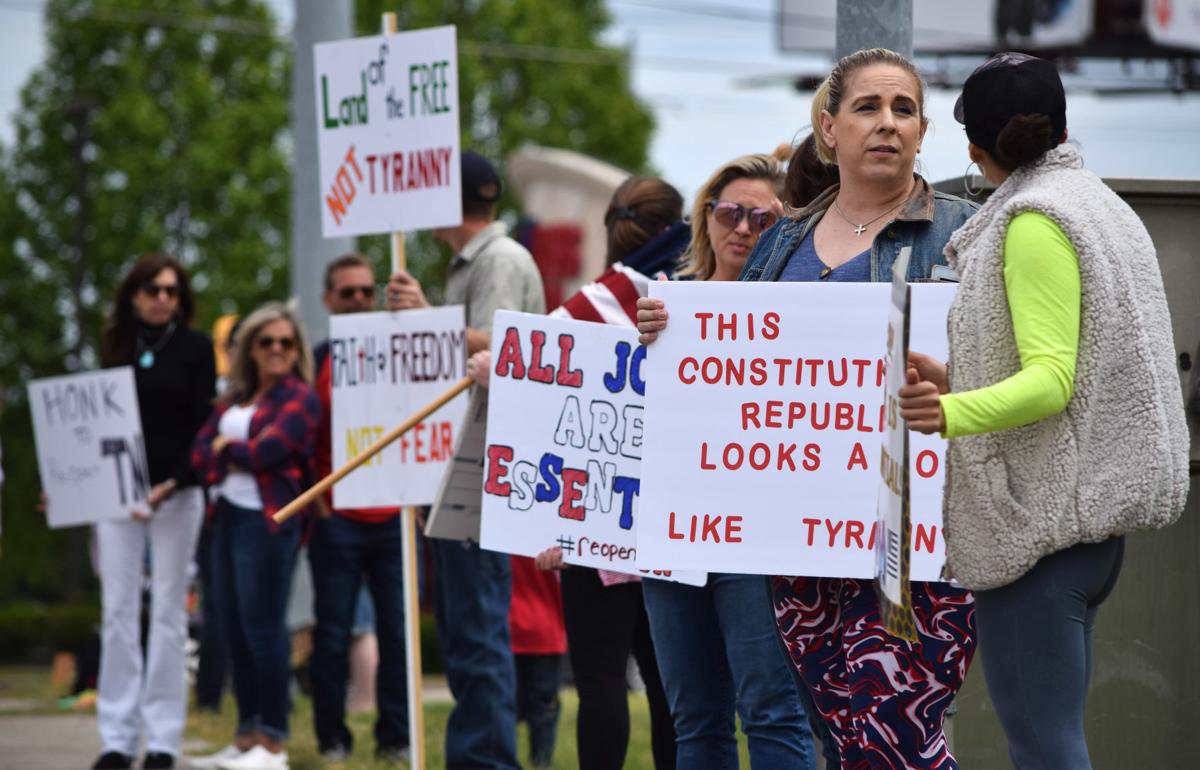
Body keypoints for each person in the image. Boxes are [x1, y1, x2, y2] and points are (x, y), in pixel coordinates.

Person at [639, 49, 981, 769]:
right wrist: (669, 333)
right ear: (829, 128)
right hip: (799, 551)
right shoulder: (782, 243)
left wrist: (953, 386)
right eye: (867, 107)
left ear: (922, 132)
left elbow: (1010, 371)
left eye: (904, 109)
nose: (887, 123)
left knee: (898, 739)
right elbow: (735, 375)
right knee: (843, 741)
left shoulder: (967, 234)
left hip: (916, 545)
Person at [899, 52, 1189, 769]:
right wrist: (957, 377)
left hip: (1040, 533)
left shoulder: (1032, 219)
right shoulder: (1099, 204)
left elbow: (1053, 382)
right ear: (1062, 127)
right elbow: (1080, 367)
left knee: (1043, 747)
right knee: (1053, 741)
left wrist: (951, 409)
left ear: (974, 149)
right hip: (1088, 534)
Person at [634, 153, 820, 770]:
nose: (742, 229)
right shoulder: (663, 308)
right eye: (729, 213)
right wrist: (644, 342)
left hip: (757, 538)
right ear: (705, 218)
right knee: (694, 720)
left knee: (771, 709)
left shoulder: (800, 308)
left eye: (761, 219)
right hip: (673, 534)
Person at [386, 149, 545, 769]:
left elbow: (505, 343)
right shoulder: (477, 262)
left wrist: (427, 318)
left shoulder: (498, 259)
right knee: (463, 629)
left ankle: (487, 760)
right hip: (465, 461)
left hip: (484, 463)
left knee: (476, 629)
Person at [520, 176, 686, 770]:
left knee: (599, 680)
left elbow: (542, 416)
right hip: (671, 522)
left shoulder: (579, 311)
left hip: (593, 522)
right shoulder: (692, 301)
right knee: (671, 688)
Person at [87, 255, 215, 770]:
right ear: (133, 295)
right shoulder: (115, 344)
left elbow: (204, 426)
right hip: (117, 493)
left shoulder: (196, 349)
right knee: (117, 611)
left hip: (177, 493)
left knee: (168, 612)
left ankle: (163, 738)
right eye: (152, 289)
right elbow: (92, 422)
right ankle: (117, 737)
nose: (162, 298)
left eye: (171, 290)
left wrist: (174, 481)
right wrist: (73, 482)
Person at [190, 302, 320, 770]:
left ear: (297, 349)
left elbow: (271, 451)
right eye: (267, 341)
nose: (277, 349)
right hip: (223, 518)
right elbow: (199, 454)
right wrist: (229, 451)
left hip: (267, 522)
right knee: (232, 628)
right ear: (251, 348)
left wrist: (228, 449)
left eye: (286, 342)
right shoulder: (236, 397)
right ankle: (246, 735)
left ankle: (273, 741)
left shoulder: (300, 397)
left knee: (264, 629)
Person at [307, 253, 410, 762]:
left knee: (398, 634)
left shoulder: (403, 353)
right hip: (338, 518)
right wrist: (317, 497)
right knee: (332, 634)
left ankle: (396, 738)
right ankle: (332, 738)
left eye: (367, 291)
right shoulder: (316, 361)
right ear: (328, 299)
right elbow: (303, 433)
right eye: (347, 292)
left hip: (394, 518)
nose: (358, 300)